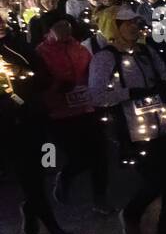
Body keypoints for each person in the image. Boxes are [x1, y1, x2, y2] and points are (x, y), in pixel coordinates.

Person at [89, 6, 166, 234]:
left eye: (135, 21)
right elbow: (97, 95)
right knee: (155, 182)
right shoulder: (105, 58)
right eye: (126, 23)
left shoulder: (146, 51)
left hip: (163, 124)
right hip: (134, 132)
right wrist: (129, 92)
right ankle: (131, 213)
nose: (133, 26)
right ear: (114, 27)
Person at [1, 19, 75, 234]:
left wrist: (28, 76)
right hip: (7, 127)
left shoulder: (17, 45)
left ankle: (31, 206)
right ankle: (55, 231)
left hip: (33, 118)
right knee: (28, 176)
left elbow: (41, 72)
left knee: (38, 170)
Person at [37, 19, 111, 214]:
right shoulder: (41, 52)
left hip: (86, 108)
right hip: (60, 113)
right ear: (50, 30)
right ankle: (65, 176)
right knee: (79, 156)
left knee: (100, 155)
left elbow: (91, 72)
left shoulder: (79, 48)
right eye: (58, 28)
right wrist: (56, 88)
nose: (64, 32)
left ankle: (100, 198)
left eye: (67, 29)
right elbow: (37, 80)